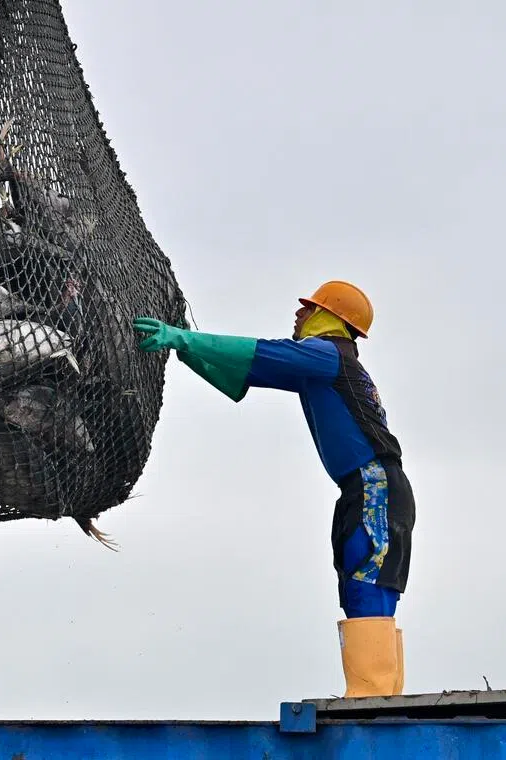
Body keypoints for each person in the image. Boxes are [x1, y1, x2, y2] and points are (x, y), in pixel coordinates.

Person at [132, 280, 415, 698]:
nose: (299, 314)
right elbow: (248, 370)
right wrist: (186, 345)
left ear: (331, 317)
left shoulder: (326, 356)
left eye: (309, 308)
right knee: (367, 584)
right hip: (373, 488)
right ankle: (379, 694)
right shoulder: (327, 365)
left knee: (366, 582)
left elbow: (258, 352)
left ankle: (371, 697)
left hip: (374, 488)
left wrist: (182, 336)